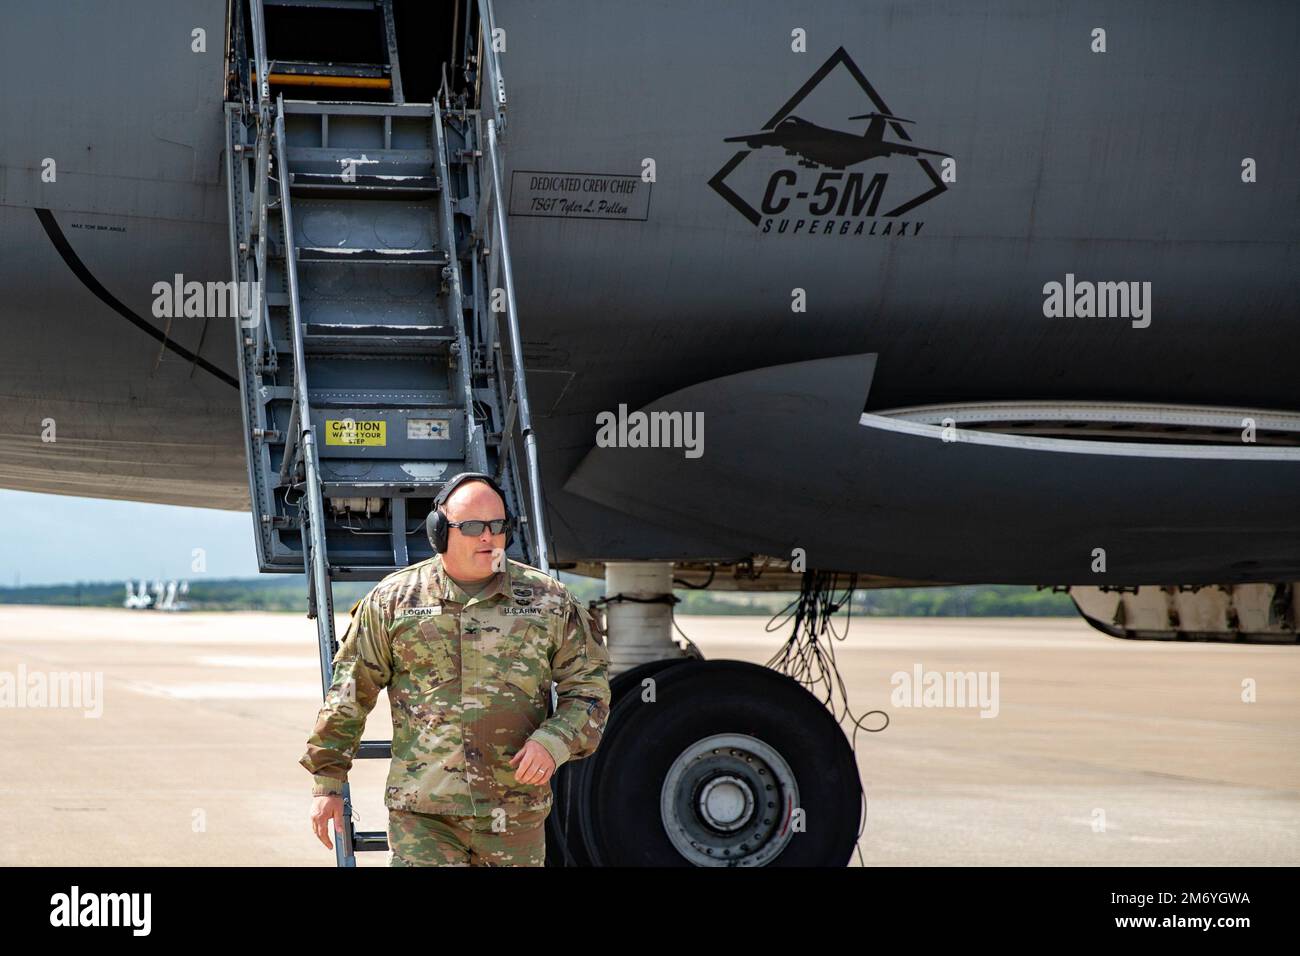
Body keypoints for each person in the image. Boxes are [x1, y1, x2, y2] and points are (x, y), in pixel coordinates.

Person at [301, 472, 611, 866]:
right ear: (440, 532)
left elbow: (589, 692)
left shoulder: (548, 601)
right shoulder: (394, 601)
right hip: (425, 816)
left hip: (513, 813)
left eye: (498, 526)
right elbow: (349, 693)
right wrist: (327, 782)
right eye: (473, 527)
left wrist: (553, 741)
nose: (489, 537)